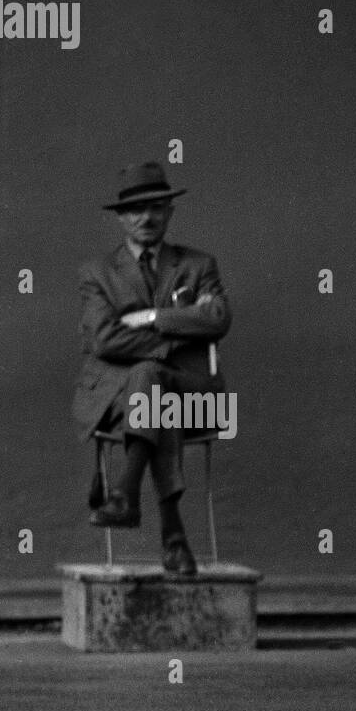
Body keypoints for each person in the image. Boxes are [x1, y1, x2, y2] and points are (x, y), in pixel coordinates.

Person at [73, 162, 231, 579]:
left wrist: (151, 318)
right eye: (137, 210)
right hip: (118, 399)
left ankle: (125, 494)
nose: (147, 217)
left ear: (169, 213)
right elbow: (104, 339)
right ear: (121, 218)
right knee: (152, 383)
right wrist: (180, 329)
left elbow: (217, 318)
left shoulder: (198, 264)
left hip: (200, 399)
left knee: (150, 380)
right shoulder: (97, 273)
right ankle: (173, 535)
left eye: (156, 208)